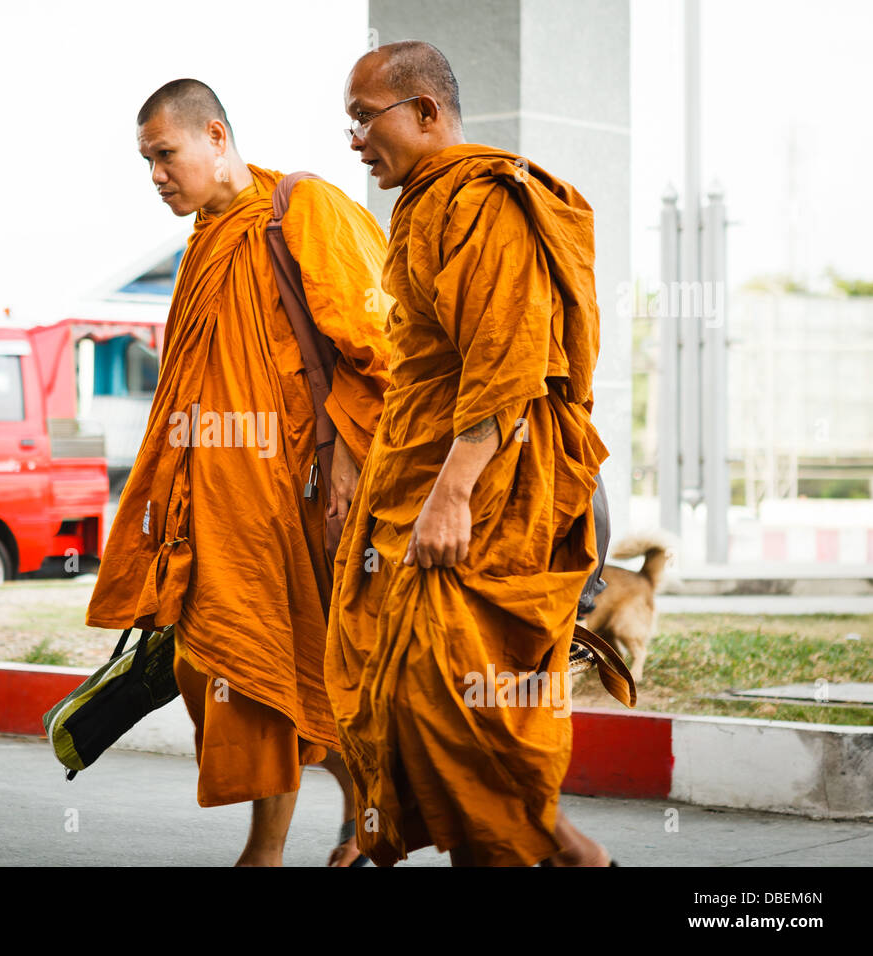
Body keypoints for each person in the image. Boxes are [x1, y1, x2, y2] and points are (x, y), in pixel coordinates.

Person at [85, 78, 393, 866]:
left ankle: (317, 838)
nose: (156, 174)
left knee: (314, 669)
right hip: (219, 511)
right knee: (232, 667)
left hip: (307, 499)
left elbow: (378, 344)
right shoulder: (201, 251)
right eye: (146, 161)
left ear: (216, 137)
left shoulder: (304, 209)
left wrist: (355, 458)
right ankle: (301, 838)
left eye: (165, 154)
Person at [326, 41, 614, 867]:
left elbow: (508, 356)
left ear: (424, 112)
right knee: (418, 690)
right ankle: (556, 849)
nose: (353, 140)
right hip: (417, 474)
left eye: (362, 118)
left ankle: (549, 848)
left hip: (482, 488)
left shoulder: (485, 201)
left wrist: (451, 494)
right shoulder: (419, 205)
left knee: (453, 693)